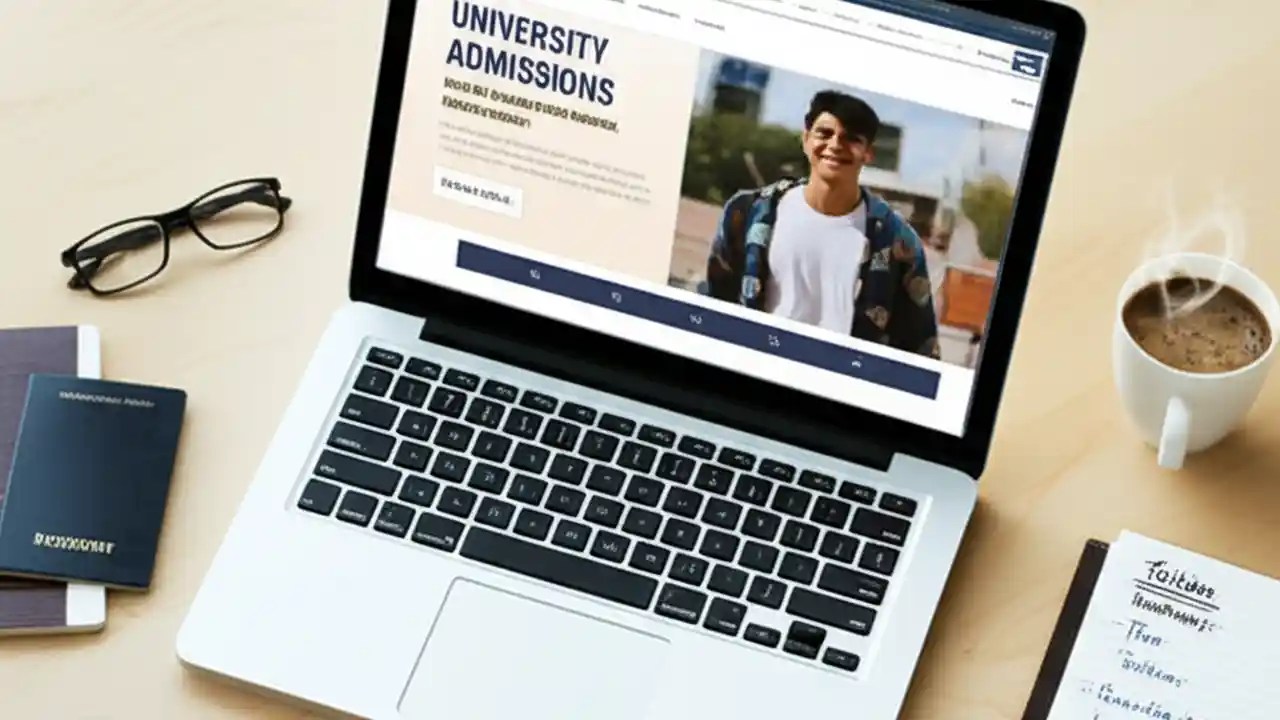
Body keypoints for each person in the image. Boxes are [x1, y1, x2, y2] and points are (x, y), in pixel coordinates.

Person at [702, 89, 941, 360]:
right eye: (824, 134)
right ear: (805, 140)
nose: (836, 145)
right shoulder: (748, 212)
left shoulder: (897, 240)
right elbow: (712, 302)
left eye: (851, 138)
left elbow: (919, 343)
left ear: (868, 154)